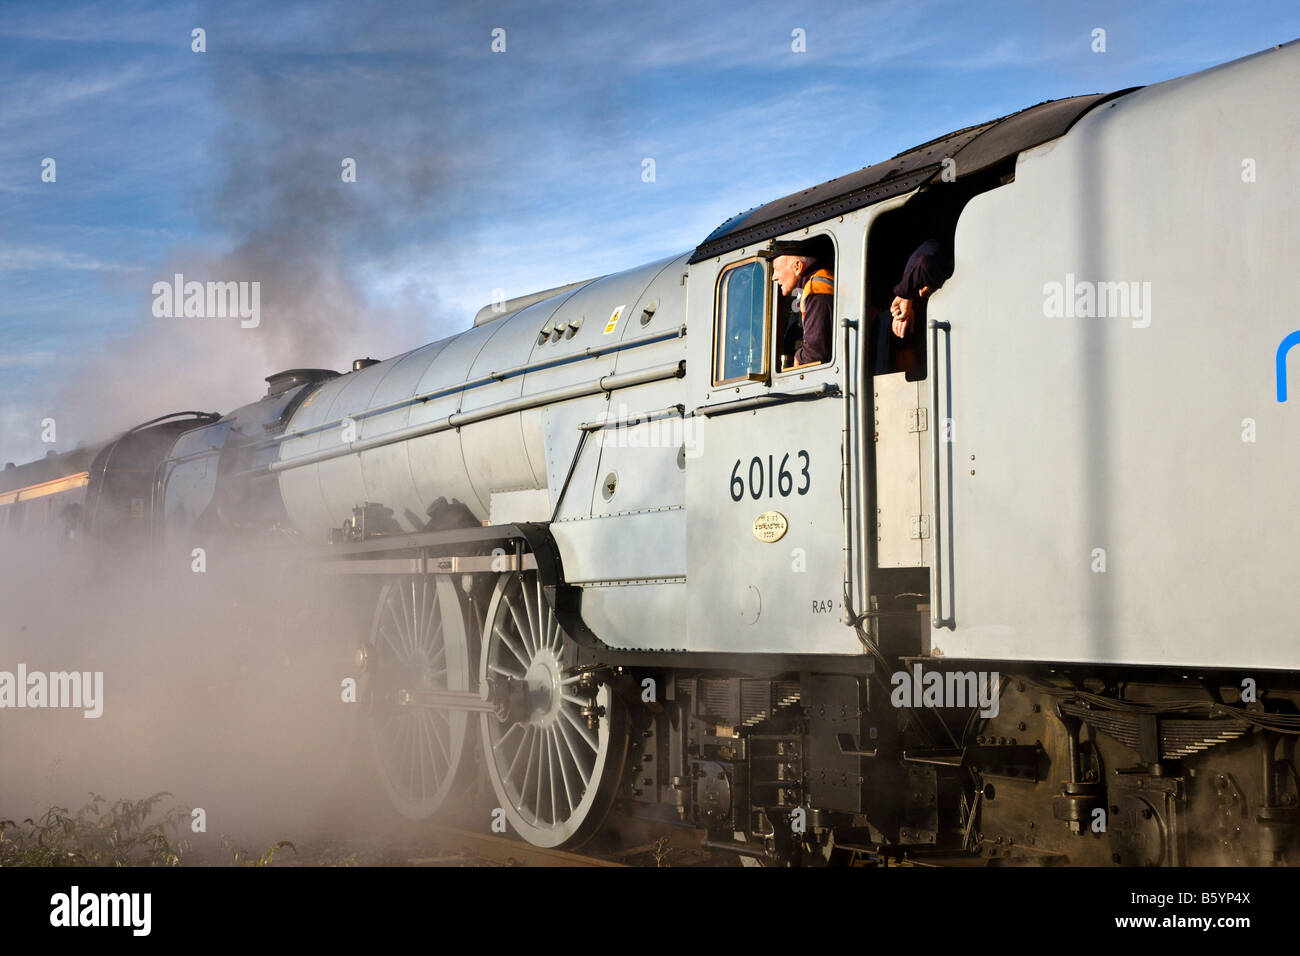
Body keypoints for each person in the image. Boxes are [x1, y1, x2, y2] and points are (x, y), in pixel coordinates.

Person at [879, 238, 953, 379]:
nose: (920, 293)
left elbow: (924, 264)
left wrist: (905, 295)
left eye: (921, 283)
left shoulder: (942, 267)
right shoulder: (916, 308)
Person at [767, 239, 834, 368]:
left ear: (797, 266)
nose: (773, 277)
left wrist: (799, 357)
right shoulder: (807, 288)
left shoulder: (816, 288)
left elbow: (815, 353)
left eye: (777, 269)